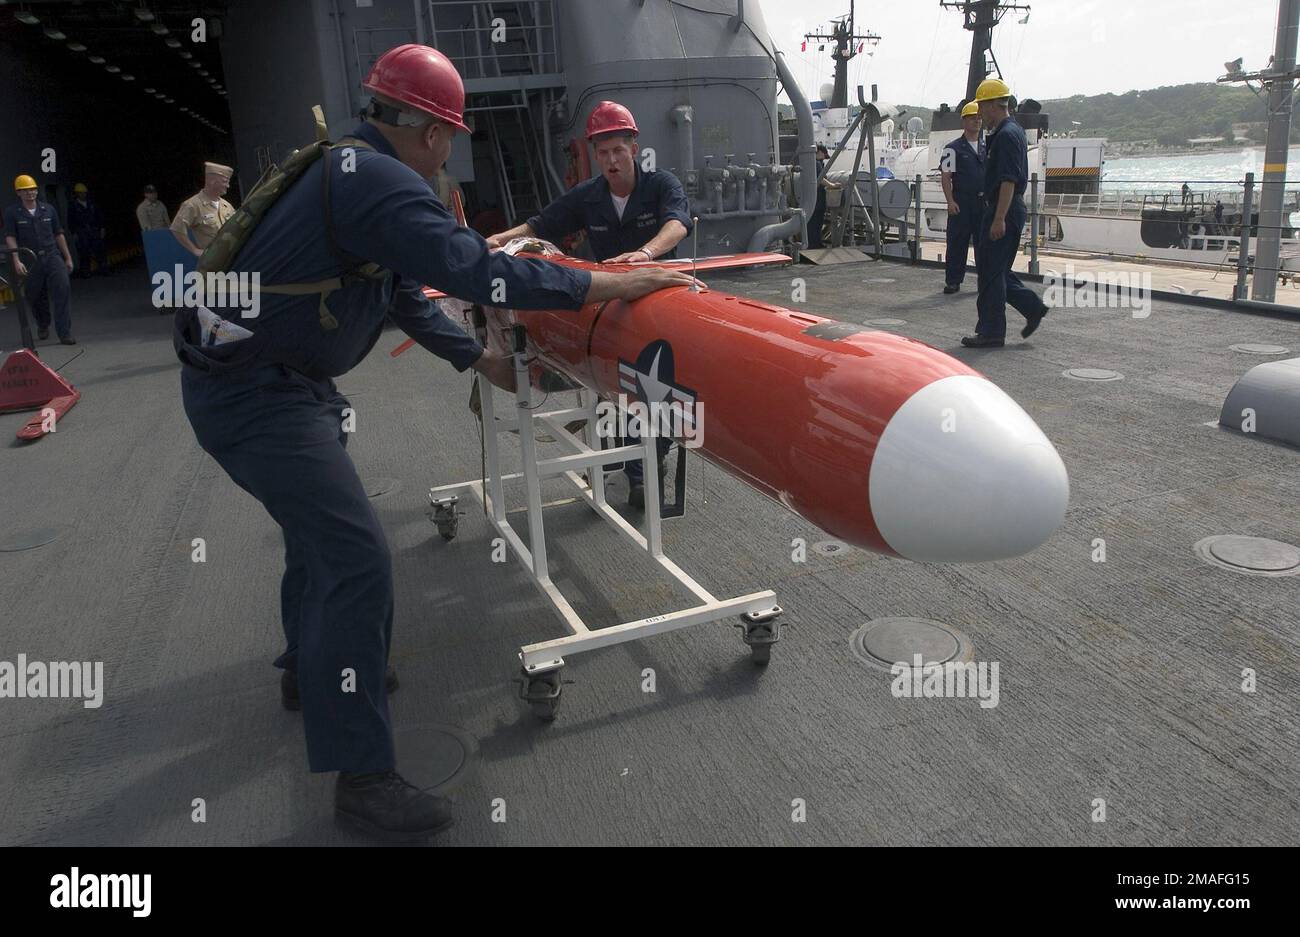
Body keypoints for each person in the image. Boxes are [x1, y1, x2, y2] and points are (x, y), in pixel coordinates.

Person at [173, 45, 699, 843]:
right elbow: (473, 270)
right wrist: (609, 284)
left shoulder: (345, 167)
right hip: (256, 393)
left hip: (267, 380)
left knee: (318, 533)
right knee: (354, 555)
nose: (449, 147)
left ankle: (308, 672)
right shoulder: (381, 180)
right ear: (424, 130)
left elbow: (397, 289)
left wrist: (479, 356)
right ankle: (363, 781)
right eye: (448, 133)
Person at [485, 101, 692, 508]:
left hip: (658, 299)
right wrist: (492, 242)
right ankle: (629, 468)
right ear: (594, 155)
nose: (611, 160)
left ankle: (647, 465)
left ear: (634, 148)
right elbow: (538, 227)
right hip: (612, 304)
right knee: (618, 386)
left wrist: (645, 254)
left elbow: (678, 223)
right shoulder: (588, 196)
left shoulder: (661, 185)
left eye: (618, 150)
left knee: (656, 387)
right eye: (602, 152)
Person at [962, 78, 1049, 349]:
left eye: (981, 109)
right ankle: (1032, 307)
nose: (979, 115)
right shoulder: (1009, 132)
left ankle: (992, 332)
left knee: (990, 274)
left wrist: (999, 218)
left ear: (991, 105)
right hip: (1004, 207)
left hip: (1004, 207)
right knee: (995, 270)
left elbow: (1009, 180)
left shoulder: (1007, 135)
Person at [3, 174, 76, 344]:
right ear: (18, 193)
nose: (30, 193)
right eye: (25, 190)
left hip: (52, 256)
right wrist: (16, 259)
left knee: (62, 289)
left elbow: (59, 234)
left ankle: (64, 332)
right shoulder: (12, 213)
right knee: (34, 295)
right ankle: (43, 324)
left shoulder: (48, 209)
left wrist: (68, 257)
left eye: (33, 189)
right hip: (30, 259)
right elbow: (10, 237)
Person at [941, 102, 985, 294]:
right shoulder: (952, 149)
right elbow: (946, 177)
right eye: (972, 118)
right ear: (964, 121)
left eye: (979, 118)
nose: (977, 121)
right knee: (957, 242)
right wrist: (950, 201)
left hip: (983, 203)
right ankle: (953, 280)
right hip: (961, 202)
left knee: (984, 245)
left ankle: (984, 281)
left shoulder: (988, 146)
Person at [171, 162, 235, 257]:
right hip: (212, 261)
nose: (228, 186)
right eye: (225, 182)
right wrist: (195, 250)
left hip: (231, 258)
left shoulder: (227, 206)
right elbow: (176, 229)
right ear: (212, 181)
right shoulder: (193, 205)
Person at [68, 182, 109, 277]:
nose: (83, 194)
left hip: (94, 229)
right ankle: (86, 271)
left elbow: (99, 216)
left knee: (100, 250)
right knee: (84, 251)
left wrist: (102, 227)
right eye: (81, 193)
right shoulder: (73, 206)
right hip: (82, 231)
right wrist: (74, 233)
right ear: (77, 193)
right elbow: (71, 220)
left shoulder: (92, 203)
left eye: (84, 193)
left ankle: (103, 268)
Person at [806, 144, 842, 249]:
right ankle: (814, 244)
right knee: (815, 223)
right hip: (816, 199)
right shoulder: (816, 164)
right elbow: (820, 179)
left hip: (816, 199)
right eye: (824, 154)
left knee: (816, 223)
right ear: (819, 152)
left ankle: (815, 243)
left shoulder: (815, 163)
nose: (824, 157)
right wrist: (833, 185)